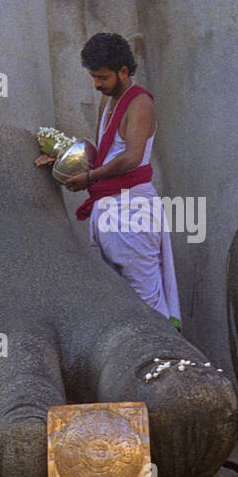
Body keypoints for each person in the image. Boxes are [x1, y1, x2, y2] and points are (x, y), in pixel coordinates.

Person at [36, 32, 181, 329]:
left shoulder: (140, 104)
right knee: (122, 301)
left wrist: (89, 177)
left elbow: (131, 157)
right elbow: (103, 151)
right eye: (94, 77)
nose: (97, 84)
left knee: (146, 301)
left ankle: (167, 363)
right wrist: (63, 158)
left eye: (102, 77)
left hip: (134, 212)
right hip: (110, 212)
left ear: (123, 71)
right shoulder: (108, 101)